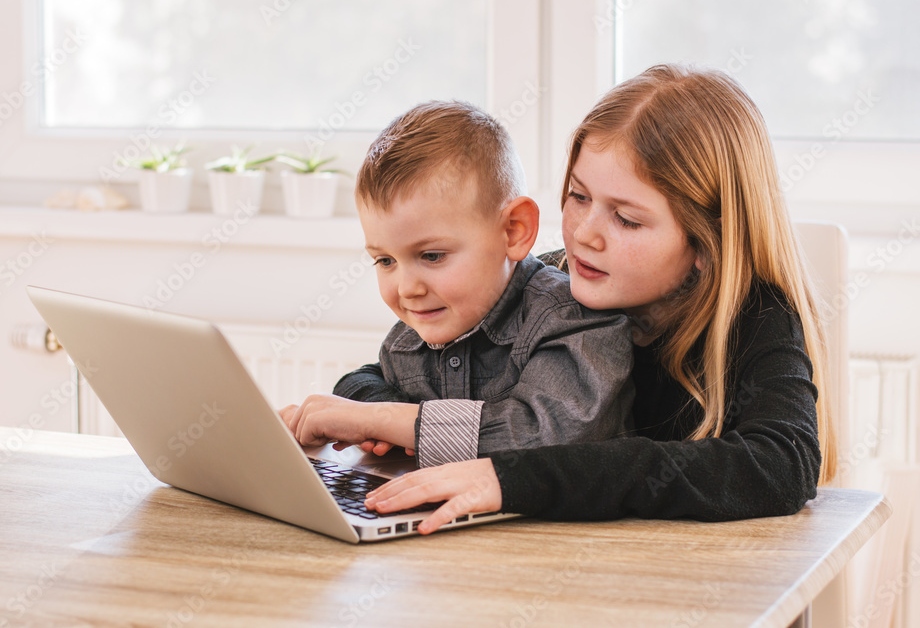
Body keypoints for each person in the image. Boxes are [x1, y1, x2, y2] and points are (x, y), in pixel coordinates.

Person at [333, 64, 837, 534]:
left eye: (627, 219)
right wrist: (382, 415)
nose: (584, 236)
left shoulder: (756, 315)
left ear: (707, 244)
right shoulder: (554, 279)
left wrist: (512, 477)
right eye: (578, 197)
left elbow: (780, 467)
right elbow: (393, 370)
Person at [281, 100, 635, 468]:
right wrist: (364, 417)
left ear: (514, 231)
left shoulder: (573, 319)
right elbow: (360, 383)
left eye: (432, 256)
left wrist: (382, 420)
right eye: (385, 260)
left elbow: (544, 436)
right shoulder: (407, 341)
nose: (407, 289)